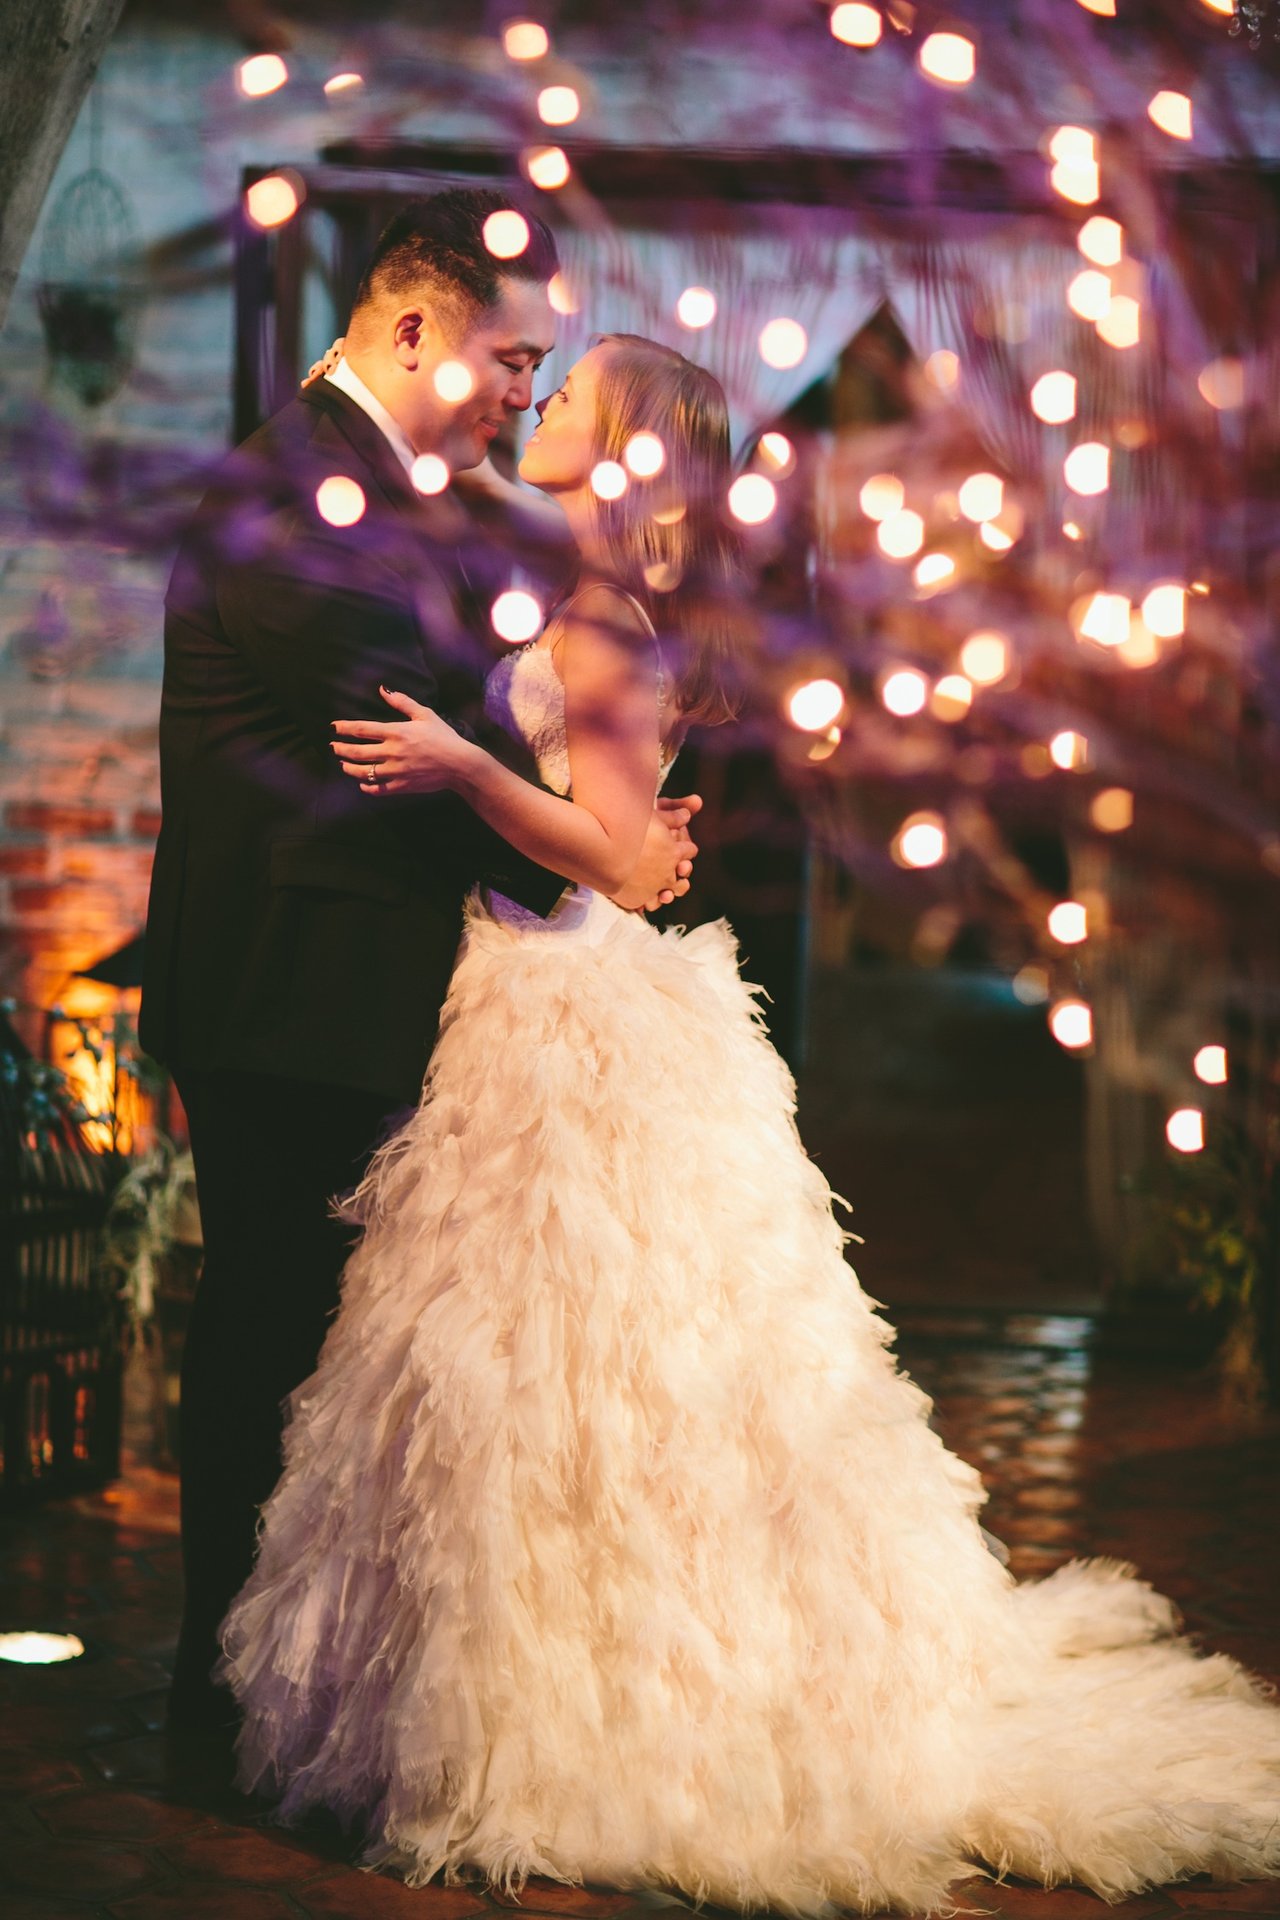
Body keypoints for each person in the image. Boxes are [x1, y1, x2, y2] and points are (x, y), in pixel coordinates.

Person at [219, 334, 1280, 1913]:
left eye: (569, 395)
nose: (539, 404)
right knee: (529, 1378)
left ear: (627, 448)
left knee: (586, 1373)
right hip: (527, 982)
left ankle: (622, 1714)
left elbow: (605, 850)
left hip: (567, 1003)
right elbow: (604, 801)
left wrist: (454, 765)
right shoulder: (586, 587)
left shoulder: (605, 622)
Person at [139, 194, 701, 1743]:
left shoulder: (397, 490)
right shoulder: (297, 500)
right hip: (289, 995)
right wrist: (598, 848)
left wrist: (605, 811)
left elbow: (490, 720)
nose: (528, 390)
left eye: (543, 373)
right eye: (514, 361)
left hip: (359, 994)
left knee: (349, 1360)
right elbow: (402, 742)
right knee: (273, 1345)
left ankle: (307, 1690)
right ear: (411, 331)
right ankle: (221, 1699)